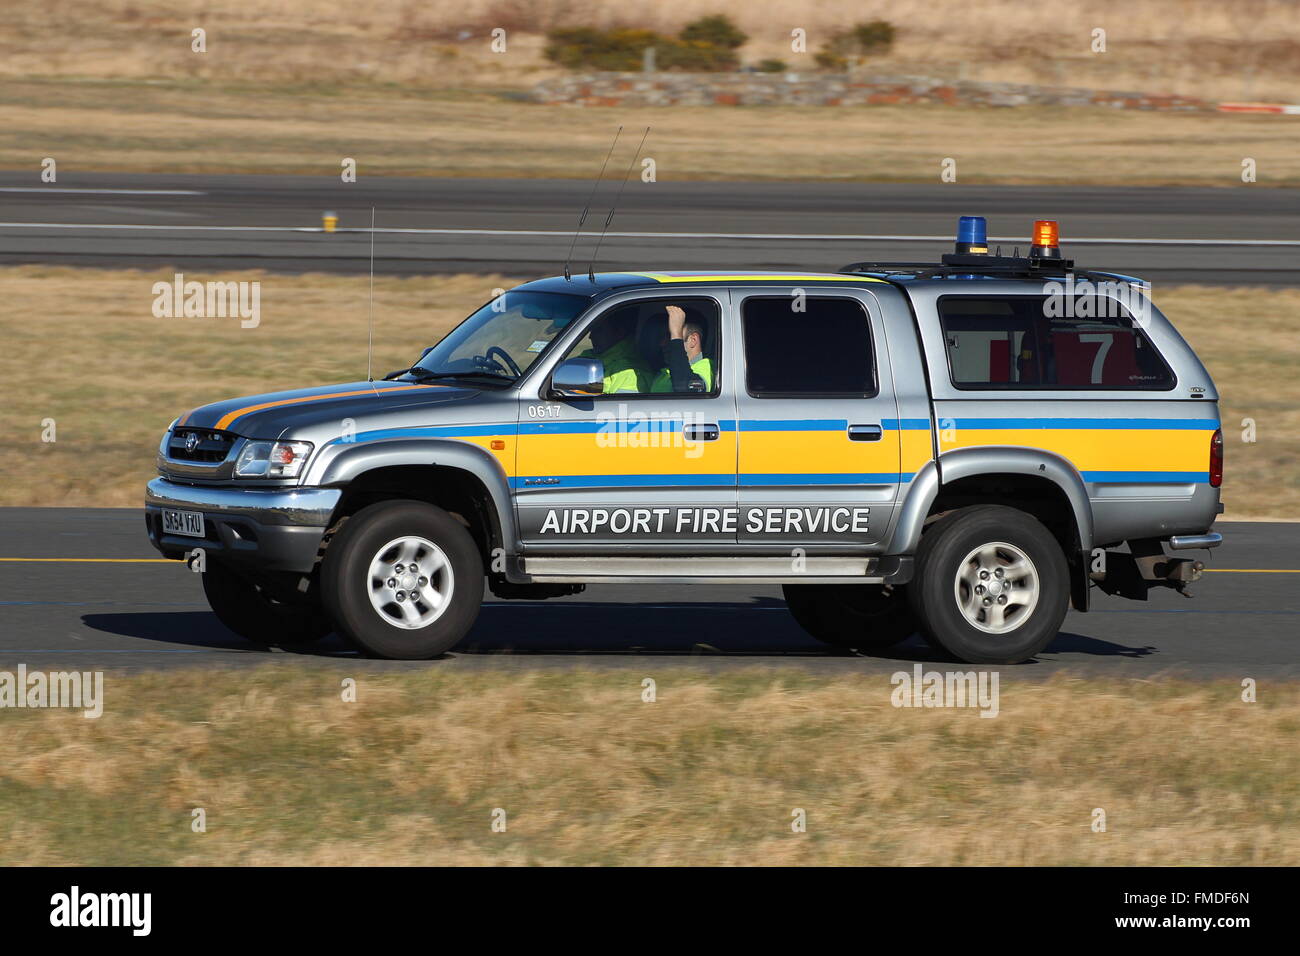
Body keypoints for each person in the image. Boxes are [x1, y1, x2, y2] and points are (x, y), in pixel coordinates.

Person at [581, 310, 652, 394]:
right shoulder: (589, 358)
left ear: (619, 332)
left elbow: (624, 406)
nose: (591, 336)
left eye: (599, 330)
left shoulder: (629, 372)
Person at [651, 305, 713, 393]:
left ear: (693, 340)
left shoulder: (706, 369)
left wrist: (676, 333)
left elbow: (685, 387)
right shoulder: (664, 374)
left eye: (670, 336)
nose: (662, 344)